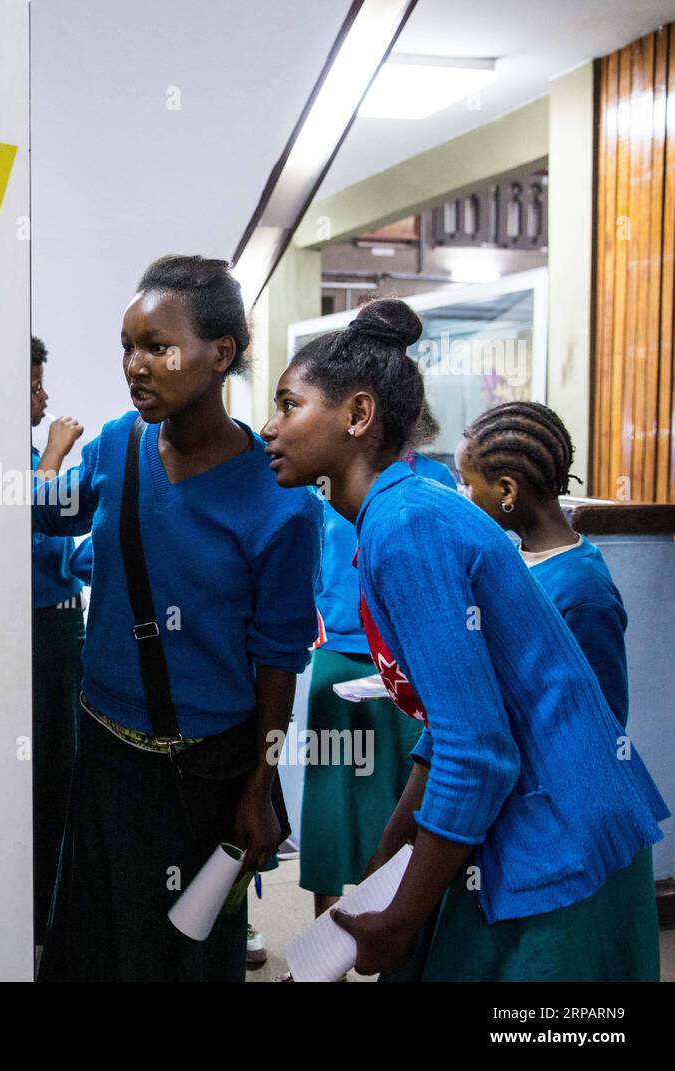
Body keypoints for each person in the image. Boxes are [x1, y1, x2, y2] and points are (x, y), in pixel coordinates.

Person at [260, 298, 669, 982]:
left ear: (358, 416)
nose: (270, 428)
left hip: (559, 840)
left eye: (288, 405)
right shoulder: (399, 514)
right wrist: (390, 854)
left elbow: (478, 750)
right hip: (542, 822)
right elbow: (456, 721)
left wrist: (399, 915)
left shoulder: (406, 527)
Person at [34, 255, 321, 981]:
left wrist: (260, 784)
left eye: (157, 346)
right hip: (103, 754)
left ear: (220, 353)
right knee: (91, 950)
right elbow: (47, 507)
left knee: (184, 956)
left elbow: (280, 657)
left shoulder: (280, 499)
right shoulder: (116, 446)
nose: (136, 365)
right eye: (128, 346)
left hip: (204, 775)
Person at [299, 403, 457, 919]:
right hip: (340, 655)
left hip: (412, 665)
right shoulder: (324, 478)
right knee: (332, 803)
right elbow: (305, 560)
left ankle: (404, 935)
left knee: (409, 798)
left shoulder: (435, 479)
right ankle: (326, 942)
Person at [455, 401, 629, 727]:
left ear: (507, 490)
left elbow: (603, 722)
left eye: (467, 484)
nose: (461, 495)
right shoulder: (510, 557)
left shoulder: (583, 593)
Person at [29, 335, 85, 953]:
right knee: (44, 778)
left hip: (60, 633)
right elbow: (28, 522)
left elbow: (66, 544)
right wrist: (53, 456)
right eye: (34, 384)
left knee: (62, 778)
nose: (45, 397)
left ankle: (49, 919)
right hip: (38, 638)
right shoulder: (6, 466)